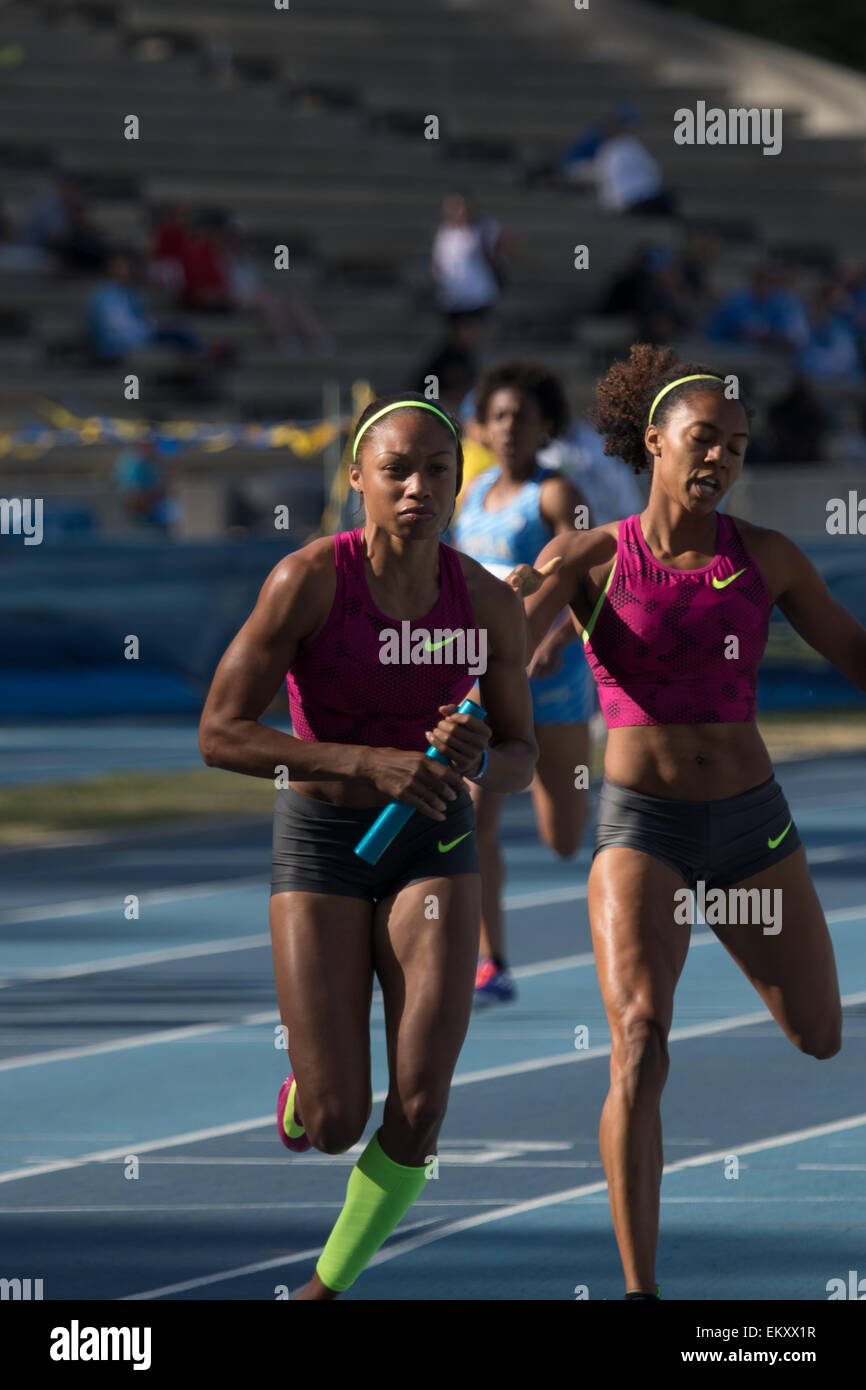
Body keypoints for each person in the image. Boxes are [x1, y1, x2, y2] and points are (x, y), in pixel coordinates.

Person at [506, 342, 859, 1298]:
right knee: (639, 1039)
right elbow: (507, 643)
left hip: (752, 833)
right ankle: (640, 1290)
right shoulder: (590, 556)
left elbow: (857, 654)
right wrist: (517, 651)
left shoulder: (768, 559)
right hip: (642, 831)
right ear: (652, 443)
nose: (721, 460)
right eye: (705, 440)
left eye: (738, 448)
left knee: (822, 1034)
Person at [198, 392, 538, 1299]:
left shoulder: (487, 602)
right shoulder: (307, 581)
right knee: (341, 1118)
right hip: (322, 842)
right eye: (397, 469)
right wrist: (367, 763)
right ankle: (308, 1092)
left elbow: (522, 759)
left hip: (433, 844)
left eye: (436, 469)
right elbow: (222, 733)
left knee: (421, 1105)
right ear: (358, 479)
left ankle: (324, 1290)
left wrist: (477, 761)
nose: (418, 485)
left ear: (459, 483)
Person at [452, 360, 595, 1003]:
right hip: (485, 682)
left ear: (545, 427)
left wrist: (557, 638)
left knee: (563, 839)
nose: (510, 428)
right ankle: (491, 961)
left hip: (552, 683)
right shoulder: (470, 493)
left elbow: (594, 571)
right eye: (500, 416)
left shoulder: (557, 494)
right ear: (484, 425)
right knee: (472, 814)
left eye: (523, 418)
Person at [430, 193, 510, 323]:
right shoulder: (444, 234)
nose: (459, 211)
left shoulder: (484, 229)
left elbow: (500, 252)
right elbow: (439, 264)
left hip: (479, 295)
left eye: (462, 206)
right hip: (453, 296)